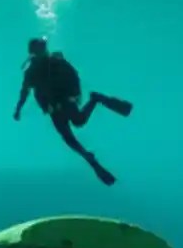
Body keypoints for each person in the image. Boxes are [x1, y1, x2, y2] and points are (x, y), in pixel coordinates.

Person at [13, 37, 133, 186]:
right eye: (39, 50)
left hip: (64, 103)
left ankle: (96, 100)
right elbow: (25, 92)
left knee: (77, 124)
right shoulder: (33, 71)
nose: (41, 52)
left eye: (41, 49)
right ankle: (91, 159)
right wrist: (18, 108)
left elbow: (71, 78)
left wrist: (75, 97)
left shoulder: (53, 65)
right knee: (70, 136)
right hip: (55, 109)